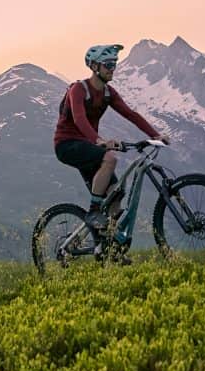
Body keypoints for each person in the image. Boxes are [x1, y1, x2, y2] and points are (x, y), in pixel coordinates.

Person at [52, 44, 168, 232]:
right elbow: (79, 119)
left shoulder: (108, 93)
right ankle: (94, 211)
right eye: (108, 65)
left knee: (116, 193)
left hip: (88, 146)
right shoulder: (79, 90)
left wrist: (155, 135)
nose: (112, 69)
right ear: (95, 66)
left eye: (114, 64)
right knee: (110, 158)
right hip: (67, 145)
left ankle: (110, 248)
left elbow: (131, 114)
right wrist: (99, 141)